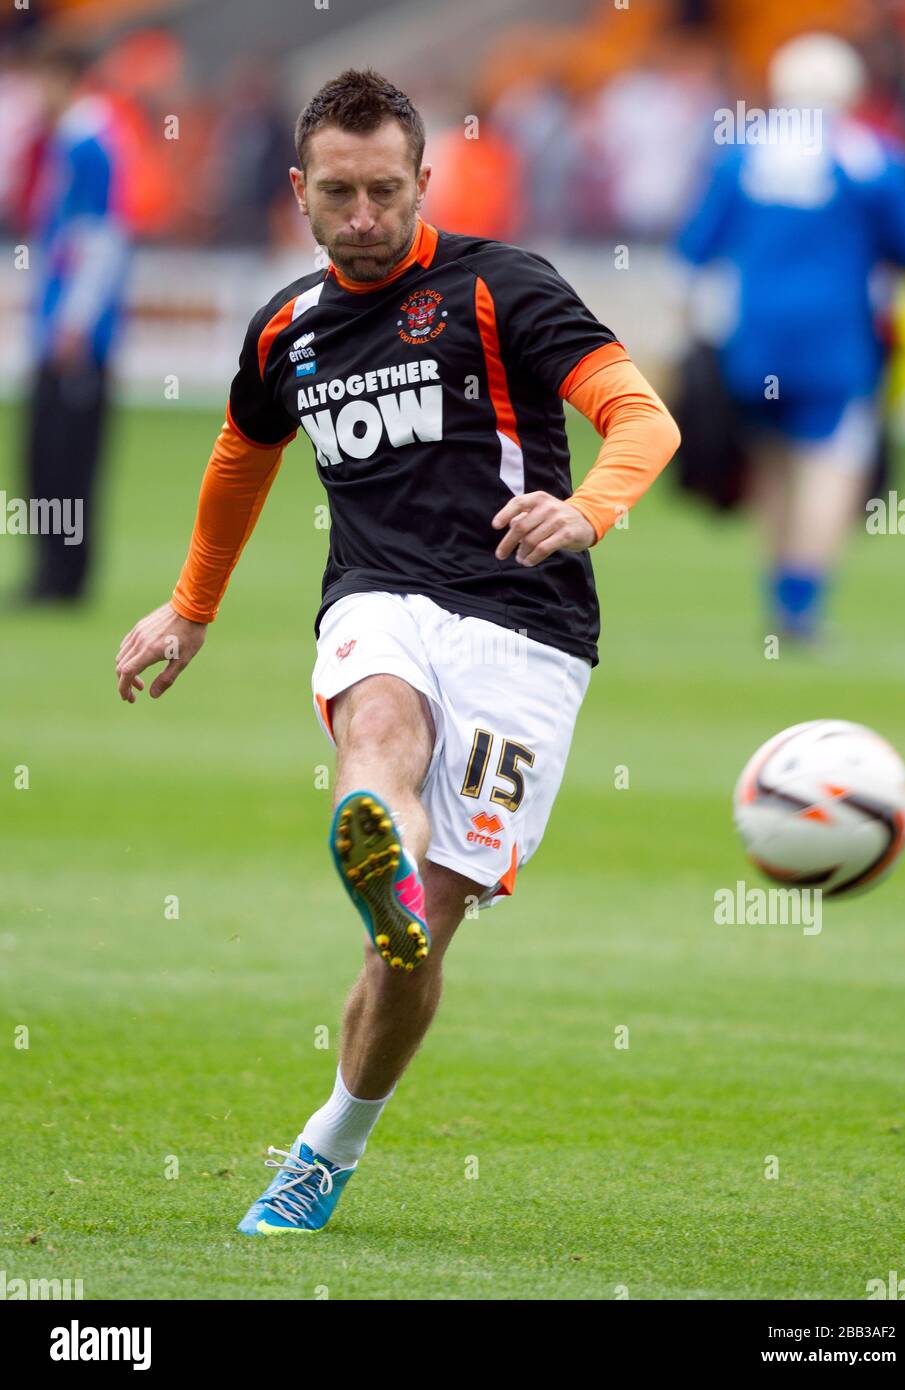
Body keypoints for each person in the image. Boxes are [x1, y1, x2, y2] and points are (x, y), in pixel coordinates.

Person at [115, 68, 680, 1235]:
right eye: (339, 195)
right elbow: (238, 460)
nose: (363, 217)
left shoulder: (502, 287)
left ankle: (335, 1130)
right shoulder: (288, 328)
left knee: (423, 946)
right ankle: (380, 846)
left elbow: (642, 417)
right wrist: (189, 606)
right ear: (300, 192)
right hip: (379, 599)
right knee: (379, 721)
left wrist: (588, 511)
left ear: (425, 179)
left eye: (385, 191)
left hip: (529, 628)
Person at [677, 32, 905, 640]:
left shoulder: (743, 156)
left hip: (754, 338)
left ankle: (779, 592)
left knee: (773, 464)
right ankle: (801, 604)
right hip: (837, 340)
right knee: (831, 464)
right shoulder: (872, 159)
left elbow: (695, 248)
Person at [24, 40, 129, 603]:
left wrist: (75, 320)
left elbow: (103, 238)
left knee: (66, 457)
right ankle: (49, 573)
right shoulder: (69, 143)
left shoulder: (93, 145)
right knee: (42, 455)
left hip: (78, 336)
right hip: (56, 326)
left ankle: (64, 579)